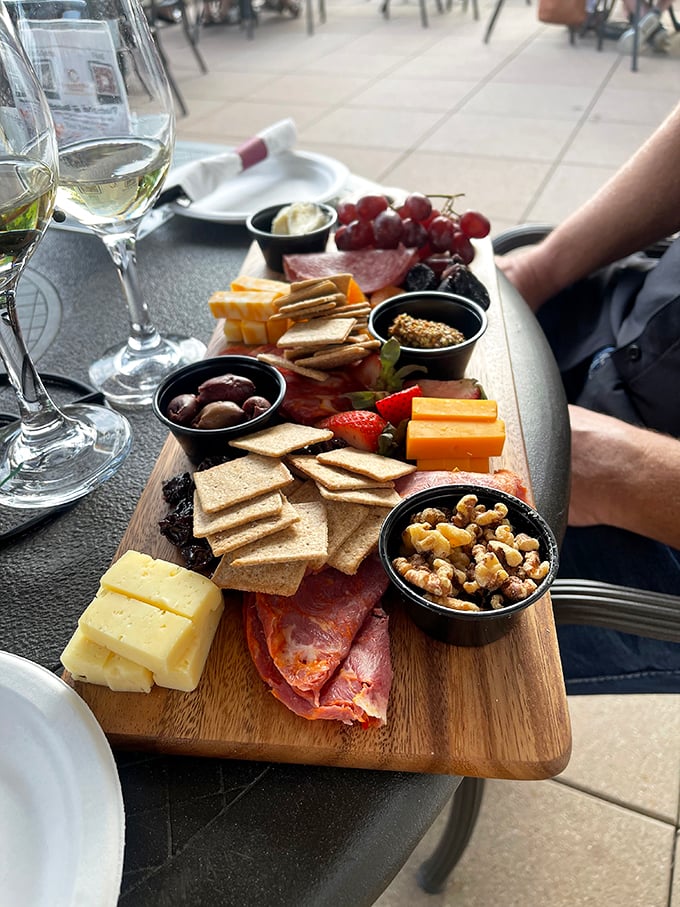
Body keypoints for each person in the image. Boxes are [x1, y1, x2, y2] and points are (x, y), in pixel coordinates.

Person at [497, 101, 680, 695]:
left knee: (396, 599)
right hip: (631, 314)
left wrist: (622, 472)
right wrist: (540, 270)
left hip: (655, 516)